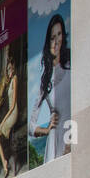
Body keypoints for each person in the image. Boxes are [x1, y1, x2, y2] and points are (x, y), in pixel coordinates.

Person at [32, 14, 71, 163]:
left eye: (59, 34)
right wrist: (46, 130)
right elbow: (31, 126)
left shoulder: (71, 68)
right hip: (53, 144)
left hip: (70, 135)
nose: (56, 41)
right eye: (52, 37)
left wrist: (70, 142)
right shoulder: (45, 81)